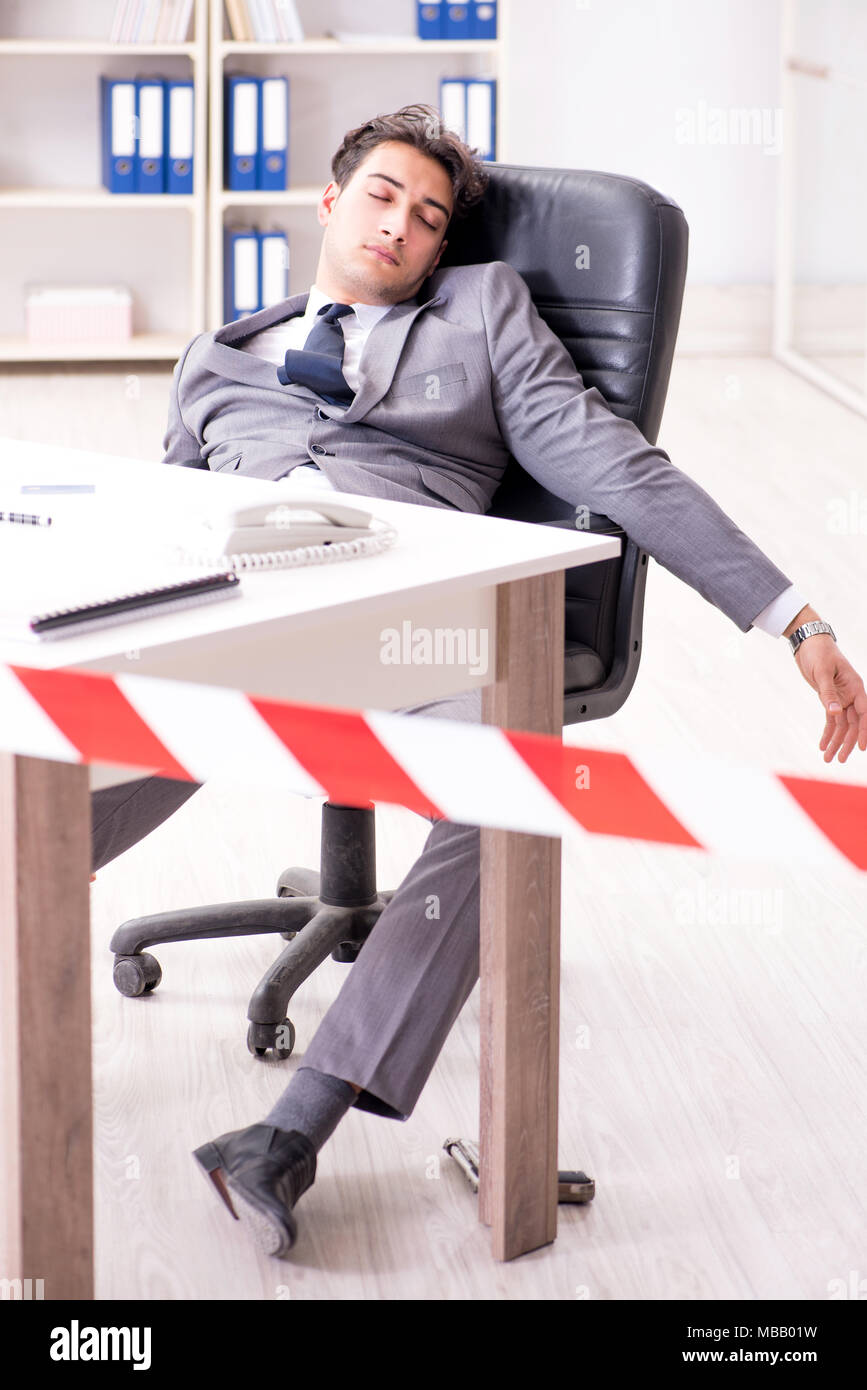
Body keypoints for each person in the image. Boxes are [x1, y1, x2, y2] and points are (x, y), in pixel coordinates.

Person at [92, 104, 867, 1259]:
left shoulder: (484, 314)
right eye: (381, 197)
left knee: (513, 786)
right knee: (52, 738)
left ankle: (290, 1132)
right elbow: (159, 518)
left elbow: (618, 465)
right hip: (231, 629)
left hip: (408, 631)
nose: (401, 227)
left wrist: (791, 615)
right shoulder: (216, 356)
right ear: (329, 202)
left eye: (429, 216)